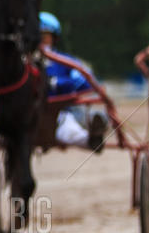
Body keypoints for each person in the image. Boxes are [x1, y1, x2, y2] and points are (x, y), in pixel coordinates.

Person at [38, 11, 107, 150]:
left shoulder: (65, 62)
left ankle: (93, 137)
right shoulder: (20, 64)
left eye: (44, 37)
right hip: (24, 117)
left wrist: (55, 83)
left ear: (54, 38)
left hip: (58, 115)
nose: (41, 41)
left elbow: (84, 83)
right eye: (37, 37)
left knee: (70, 131)